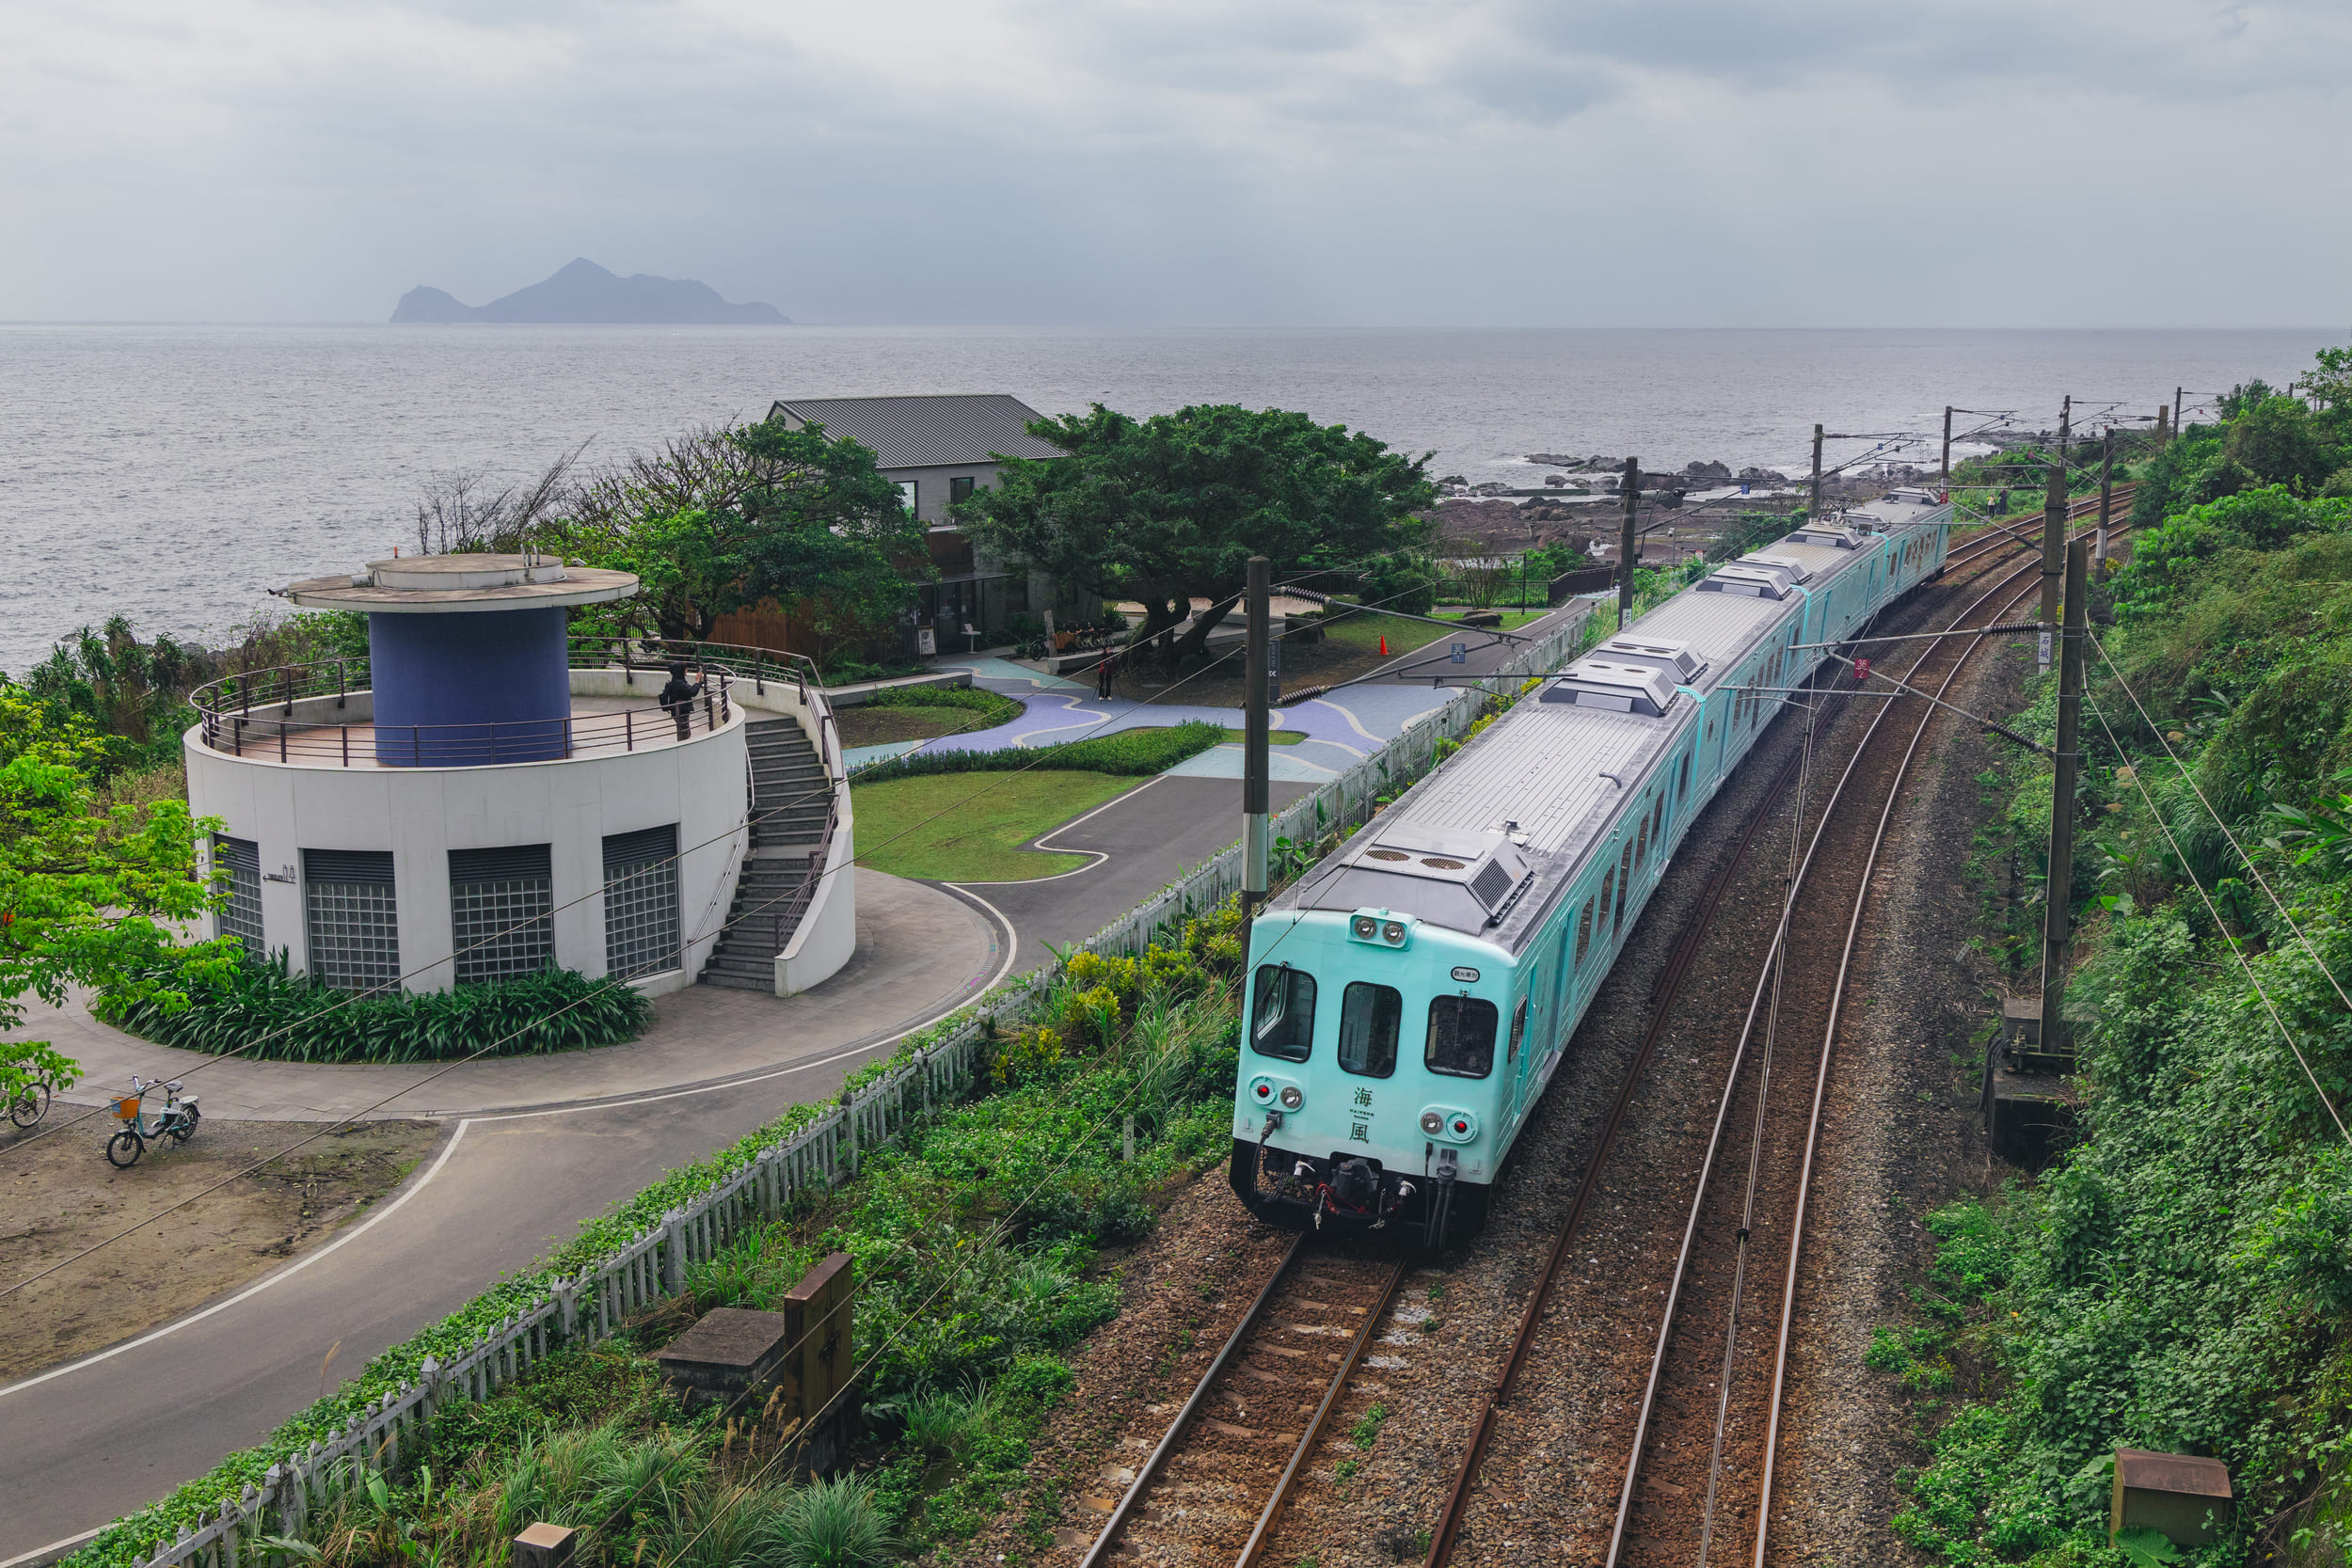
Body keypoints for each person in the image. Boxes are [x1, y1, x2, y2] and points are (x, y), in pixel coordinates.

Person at [660, 661, 706, 739]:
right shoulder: (679, 683)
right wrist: (697, 681)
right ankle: (681, 749)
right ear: (681, 670)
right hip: (681, 711)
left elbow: (689, 690)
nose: (686, 670)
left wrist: (698, 683)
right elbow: (692, 692)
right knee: (684, 733)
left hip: (677, 711)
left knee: (683, 731)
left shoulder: (676, 681)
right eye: (685, 669)